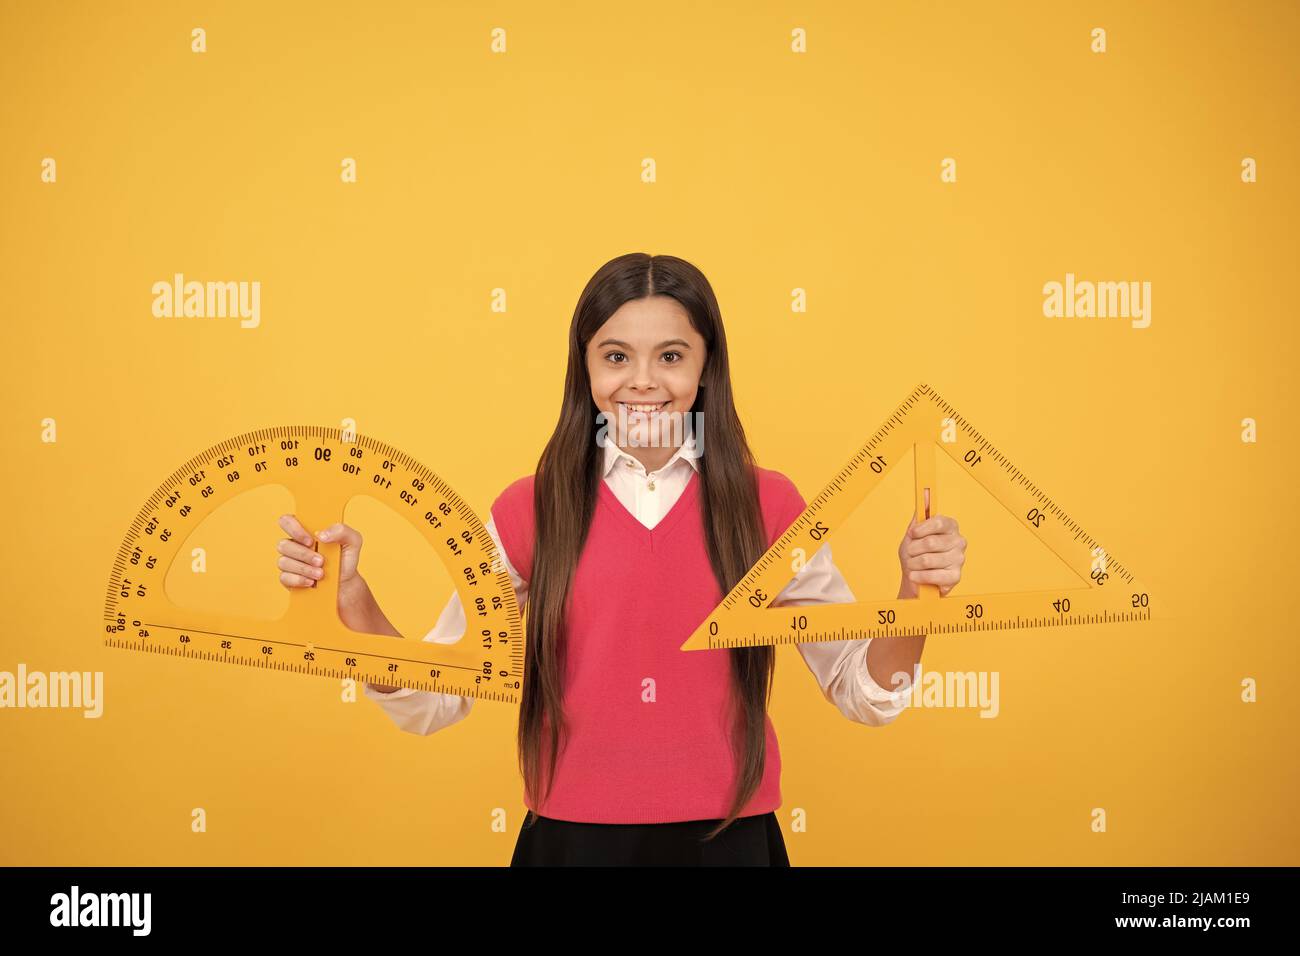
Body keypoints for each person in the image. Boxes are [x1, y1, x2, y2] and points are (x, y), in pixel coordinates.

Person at [273, 252, 967, 865]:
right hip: (571, 845)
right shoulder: (528, 510)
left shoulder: (768, 507)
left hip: (730, 845)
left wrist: (914, 592)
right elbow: (438, 695)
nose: (642, 381)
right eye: (615, 356)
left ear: (706, 366)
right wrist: (353, 602)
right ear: (585, 366)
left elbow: (861, 690)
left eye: (670, 356)